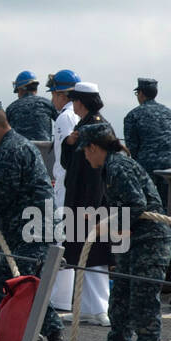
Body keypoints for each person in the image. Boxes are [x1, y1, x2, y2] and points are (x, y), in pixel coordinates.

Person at [0, 102, 68, 341]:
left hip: (32, 232)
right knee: (27, 286)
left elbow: (4, 191)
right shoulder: (20, 144)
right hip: (35, 229)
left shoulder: (10, 149)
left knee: (13, 283)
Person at [79, 123, 171, 341]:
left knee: (143, 307)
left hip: (150, 242)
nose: (84, 155)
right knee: (119, 306)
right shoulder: (112, 167)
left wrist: (106, 225)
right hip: (133, 242)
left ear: (92, 147)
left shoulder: (118, 166)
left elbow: (137, 204)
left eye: (85, 150)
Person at [60, 81, 111, 323]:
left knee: (94, 253)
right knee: (82, 252)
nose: (73, 104)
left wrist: (92, 206)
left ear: (81, 101)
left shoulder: (99, 128)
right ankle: (88, 308)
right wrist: (68, 143)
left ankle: (100, 307)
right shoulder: (84, 125)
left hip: (91, 201)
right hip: (80, 198)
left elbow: (97, 172)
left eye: (74, 100)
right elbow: (68, 164)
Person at [47, 70, 82, 314]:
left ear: (61, 94)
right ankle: (62, 297)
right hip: (67, 183)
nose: (52, 99)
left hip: (65, 186)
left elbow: (66, 159)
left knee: (61, 240)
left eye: (53, 94)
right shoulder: (73, 116)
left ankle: (59, 299)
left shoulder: (65, 118)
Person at [122, 78, 171, 209]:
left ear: (141, 94)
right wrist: (166, 154)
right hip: (170, 166)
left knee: (144, 205)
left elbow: (131, 147)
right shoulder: (170, 113)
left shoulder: (132, 116)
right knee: (170, 207)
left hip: (145, 167)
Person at [5, 71, 57, 142]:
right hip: (44, 150)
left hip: (20, 150)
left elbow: (4, 131)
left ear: (20, 89)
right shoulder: (47, 104)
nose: (18, 95)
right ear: (36, 88)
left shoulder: (11, 108)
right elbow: (60, 121)